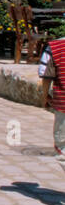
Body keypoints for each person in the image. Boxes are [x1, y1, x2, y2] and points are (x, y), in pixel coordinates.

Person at [43, 39, 65, 173]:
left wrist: (44, 95)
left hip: (63, 104)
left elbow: (47, 76)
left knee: (63, 148)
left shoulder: (56, 47)